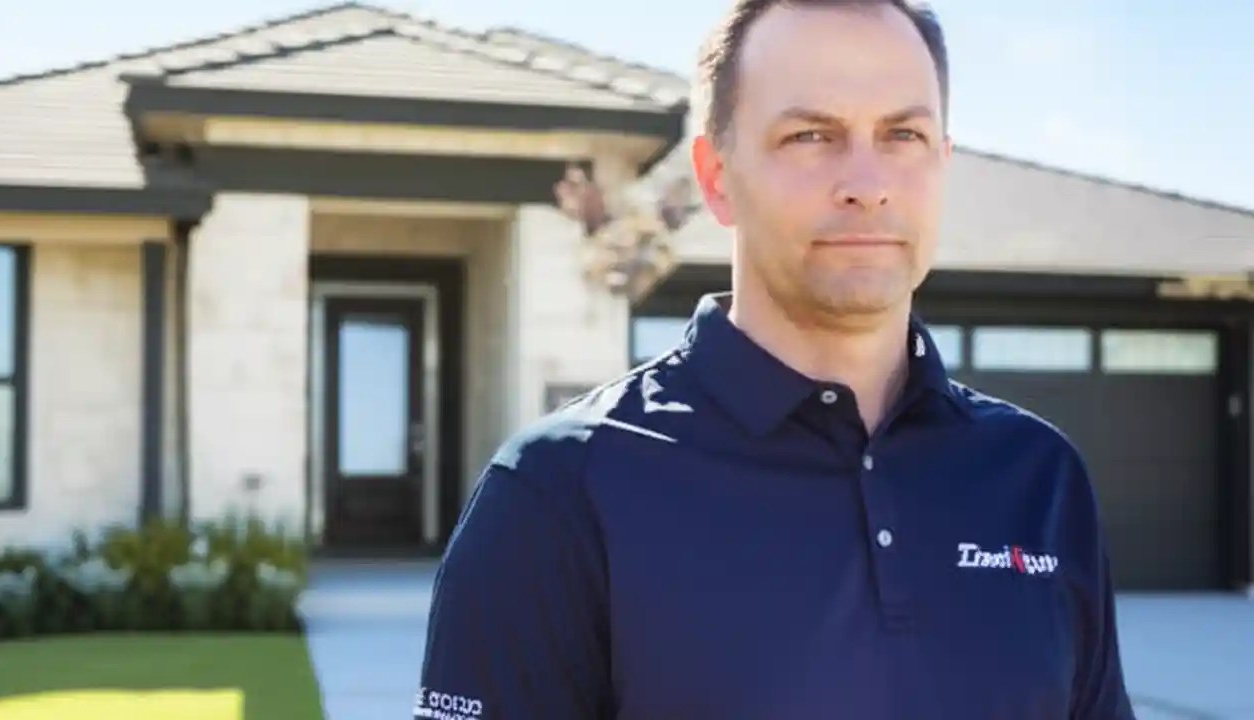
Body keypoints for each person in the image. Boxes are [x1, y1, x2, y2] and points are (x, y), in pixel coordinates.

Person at [413, 1, 1138, 718]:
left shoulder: (1040, 478)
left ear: (942, 162)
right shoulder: (557, 491)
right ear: (715, 177)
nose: (867, 184)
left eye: (903, 134)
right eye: (810, 135)